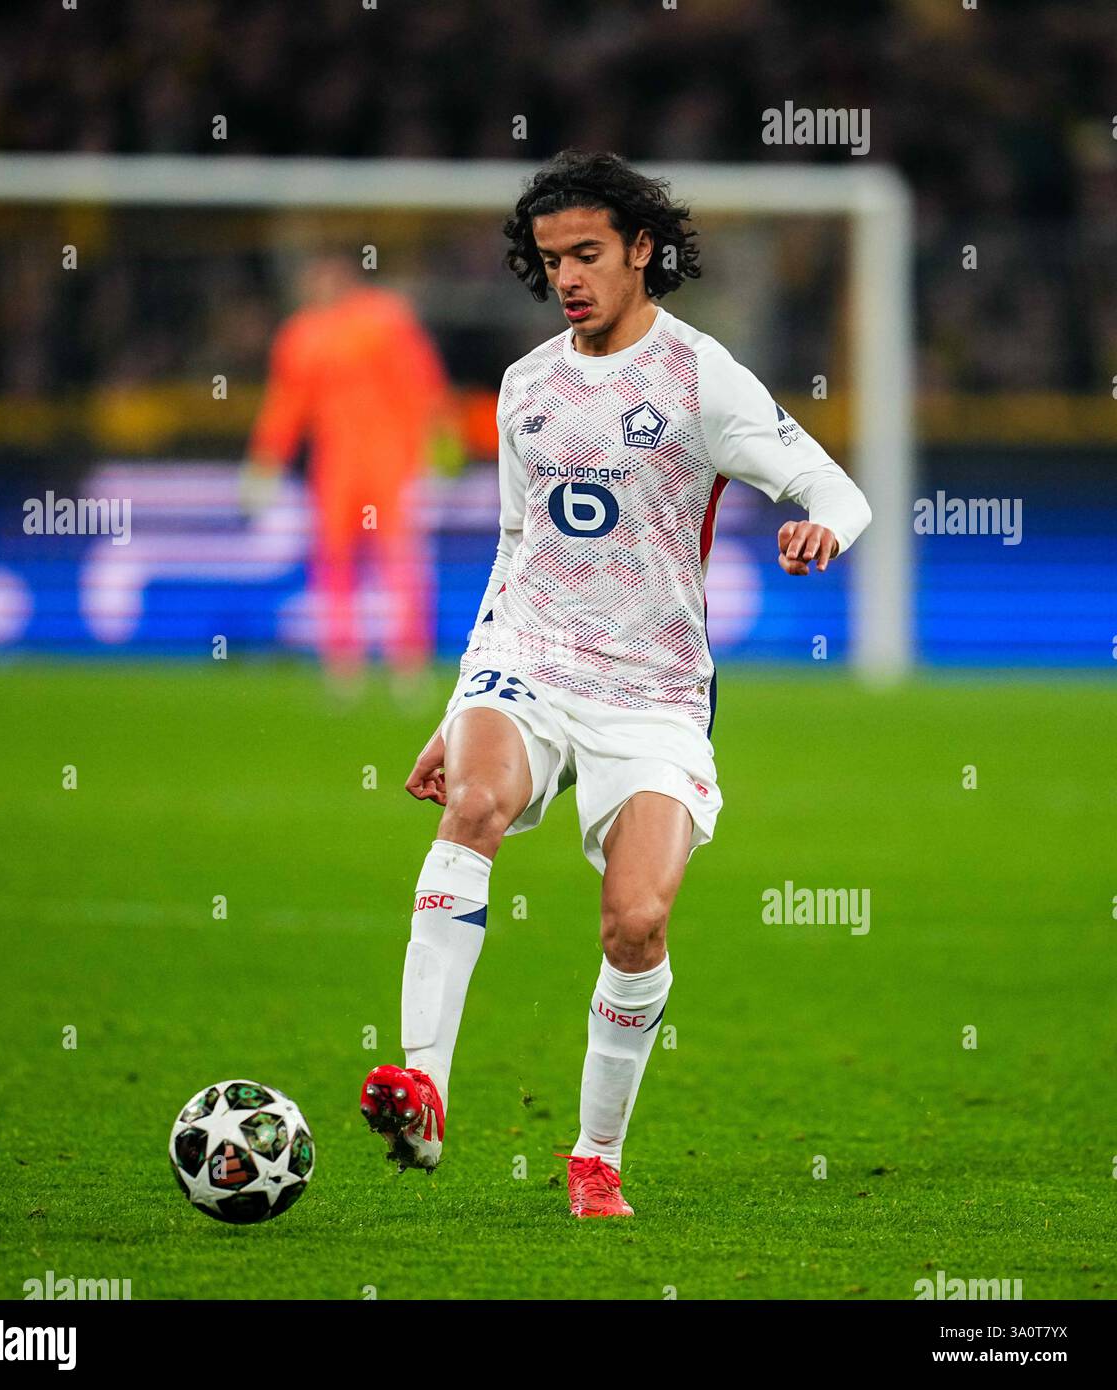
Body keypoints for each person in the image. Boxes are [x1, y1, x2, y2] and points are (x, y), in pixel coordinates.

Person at [360, 150, 872, 1218]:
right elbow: (511, 549)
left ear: (643, 248)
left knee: (634, 923)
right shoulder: (525, 386)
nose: (568, 278)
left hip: (654, 692)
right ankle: (423, 1082)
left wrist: (826, 523)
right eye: (550, 260)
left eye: (587, 253)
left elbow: (828, 479)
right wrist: (463, 704)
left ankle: (595, 1152)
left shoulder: (700, 378)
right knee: (474, 803)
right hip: (530, 659)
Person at [243, 252, 451, 682]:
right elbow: (287, 406)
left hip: (388, 456)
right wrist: (265, 459)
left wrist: (438, 439)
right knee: (335, 557)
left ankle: (409, 659)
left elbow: (419, 382)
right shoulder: (301, 335)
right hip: (336, 459)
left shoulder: (383, 319)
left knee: (398, 557)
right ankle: (343, 660)